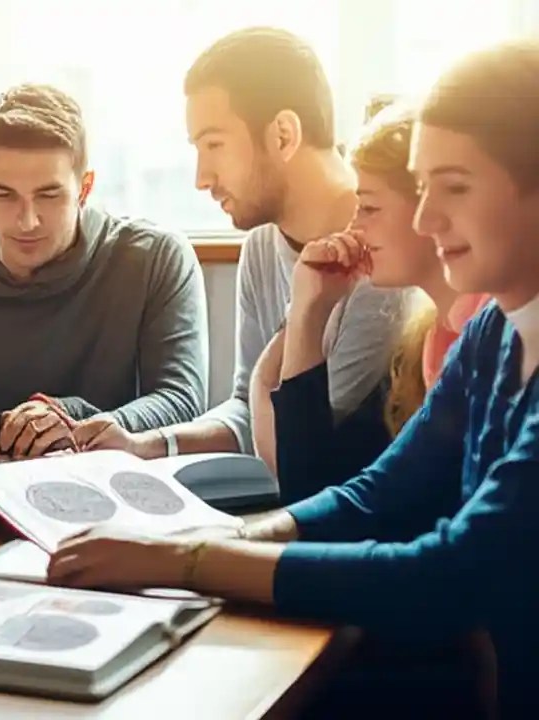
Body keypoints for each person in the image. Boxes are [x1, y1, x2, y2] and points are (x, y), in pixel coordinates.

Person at [48, 40, 539, 719]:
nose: (426, 220)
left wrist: (185, 561)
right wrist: (201, 546)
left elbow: (449, 574)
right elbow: (371, 495)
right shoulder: (490, 335)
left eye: (454, 188)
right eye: (423, 189)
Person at [76, 27, 407, 462]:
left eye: (214, 144)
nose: (201, 178)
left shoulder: (385, 254)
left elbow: (303, 431)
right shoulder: (260, 244)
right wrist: (143, 446)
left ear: (284, 135)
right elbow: (248, 409)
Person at [0, 83, 208, 466]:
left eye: (48, 195)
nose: (26, 221)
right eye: (4, 195)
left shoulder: (156, 258)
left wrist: (77, 418)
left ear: (85, 187)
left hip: (127, 490)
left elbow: (183, 399)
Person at [252, 104, 489, 500]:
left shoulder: (488, 335)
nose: (353, 228)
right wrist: (310, 311)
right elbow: (312, 485)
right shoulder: (422, 345)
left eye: (370, 208)